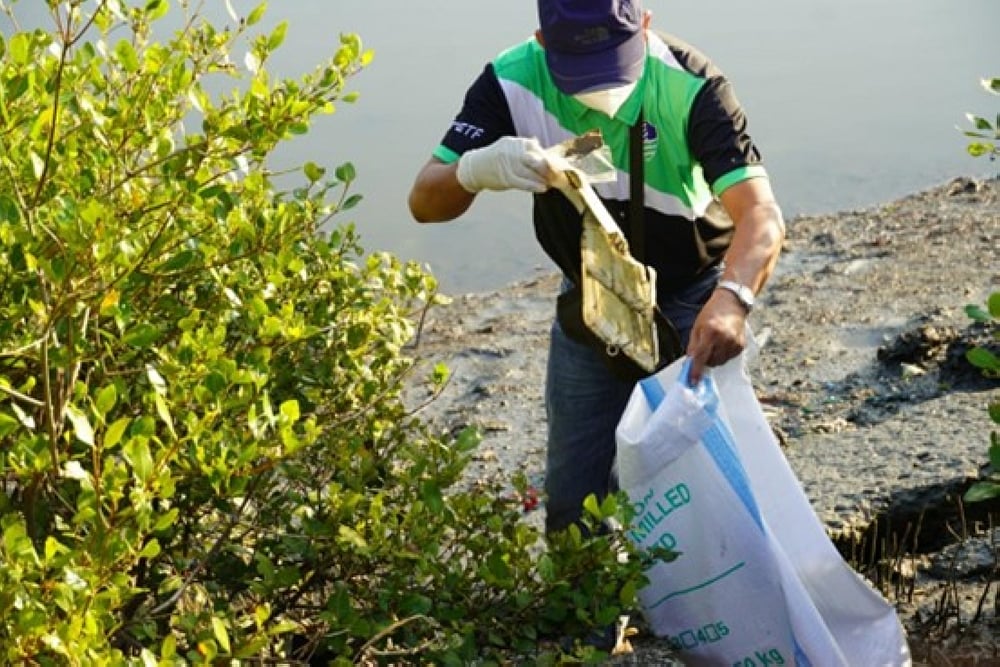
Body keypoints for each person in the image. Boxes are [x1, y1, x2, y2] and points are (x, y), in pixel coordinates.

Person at [408, 0, 785, 535]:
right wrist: (479, 168)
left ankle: (703, 612)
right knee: (574, 498)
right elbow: (424, 201)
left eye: (616, 60)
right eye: (580, 73)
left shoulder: (691, 84)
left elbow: (762, 216)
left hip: (691, 301)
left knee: (714, 486)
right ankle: (590, 617)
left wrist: (733, 300)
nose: (601, 89)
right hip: (592, 304)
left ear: (646, 23)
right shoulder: (511, 80)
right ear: (542, 40)